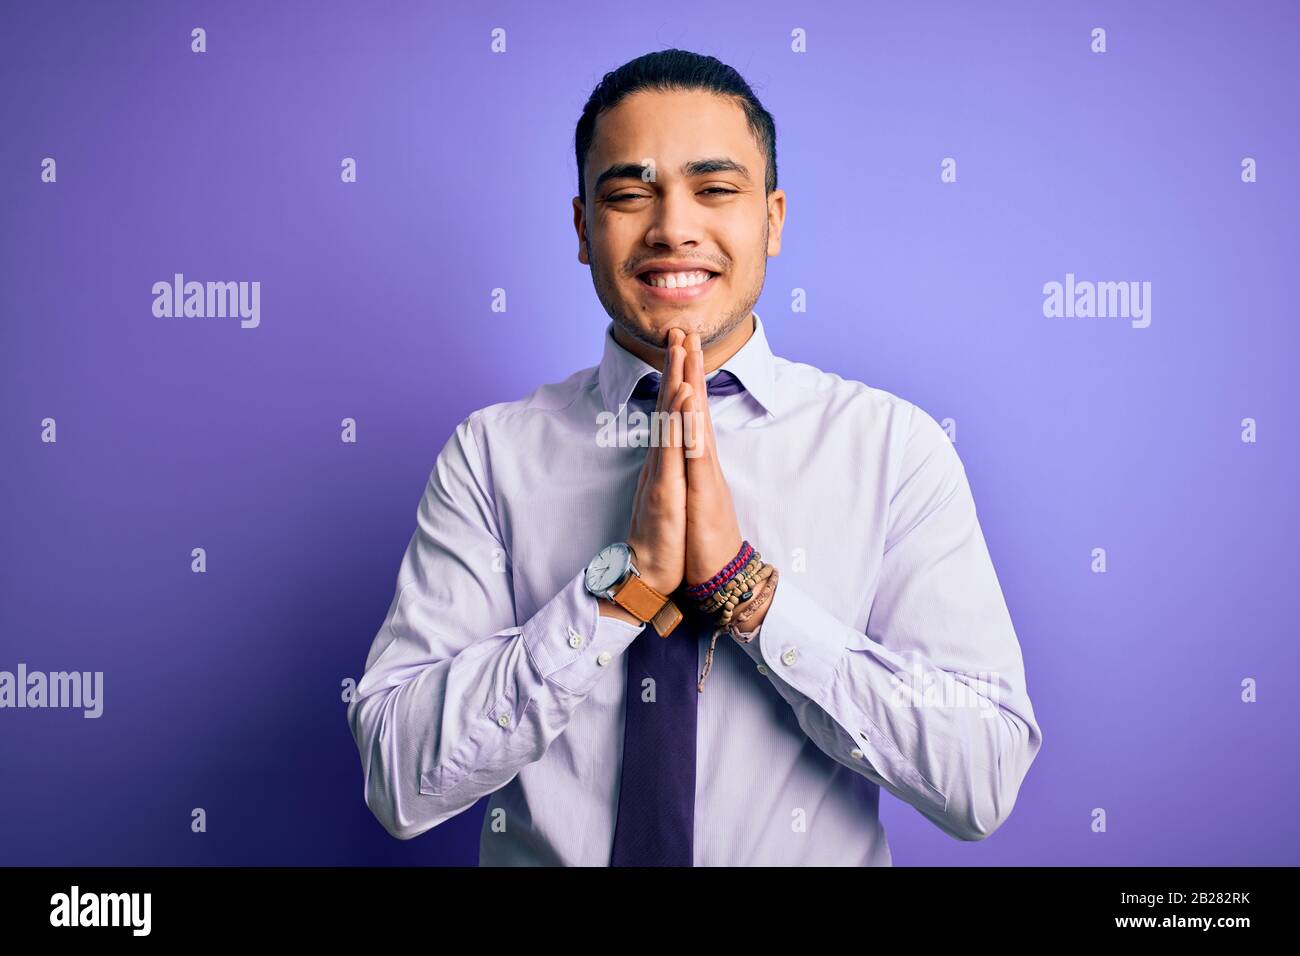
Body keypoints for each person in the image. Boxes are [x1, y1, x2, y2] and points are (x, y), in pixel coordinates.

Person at [346, 48, 1042, 866]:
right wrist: (620, 589)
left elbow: (982, 778)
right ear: (582, 229)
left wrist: (746, 592)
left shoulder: (893, 450)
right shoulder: (490, 456)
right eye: (630, 193)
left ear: (772, 220)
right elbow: (397, 781)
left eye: (715, 189)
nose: (673, 226)